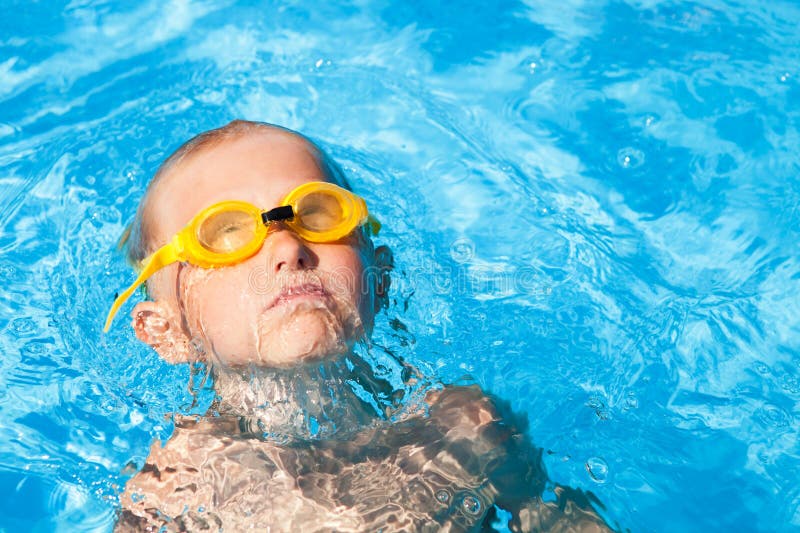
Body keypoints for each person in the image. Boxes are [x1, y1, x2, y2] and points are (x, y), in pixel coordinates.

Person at [108, 120, 611, 532]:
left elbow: (559, 520)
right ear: (166, 333)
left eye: (317, 213)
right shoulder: (173, 493)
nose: (288, 248)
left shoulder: (464, 427)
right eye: (226, 234)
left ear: (379, 278)